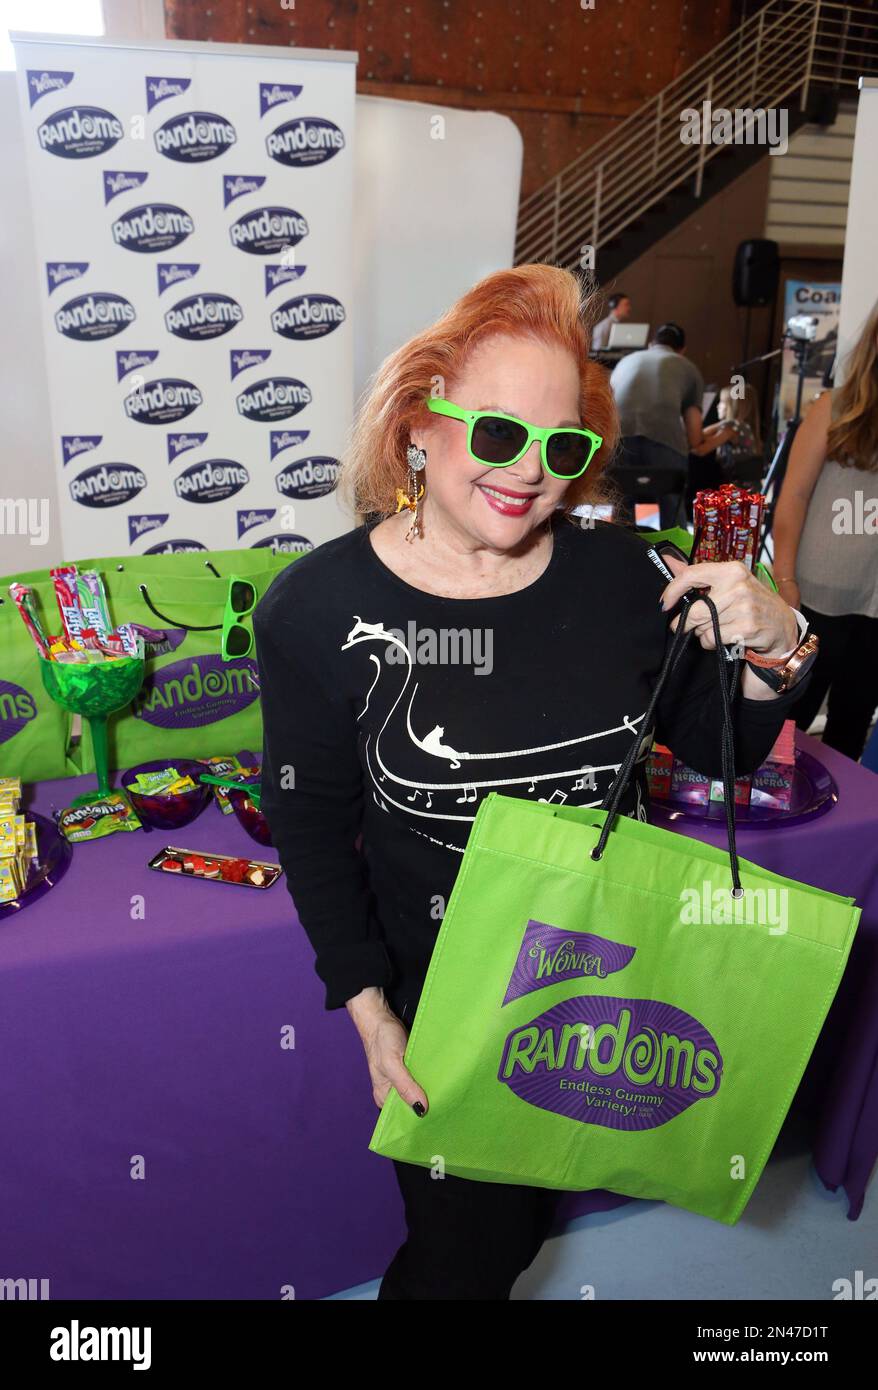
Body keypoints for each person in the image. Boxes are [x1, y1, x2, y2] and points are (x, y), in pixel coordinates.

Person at [254, 264, 811, 1301]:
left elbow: (711, 741)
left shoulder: (625, 579)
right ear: (420, 427)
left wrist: (778, 646)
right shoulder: (313, 611)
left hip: (604, 997)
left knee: (514, 1236)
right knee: (463, 1257)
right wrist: (371, 1012)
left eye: (561, 446)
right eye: (497, 433)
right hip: (449, 1014)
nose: (527, 472)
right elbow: (312, 824)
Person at [772, 299, 878, 760]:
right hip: (817, 596)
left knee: (851, 727)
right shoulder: (832, 408)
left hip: (875, 609)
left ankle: (837, 828)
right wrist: (785, 578)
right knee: (786, 728)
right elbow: (792, 497)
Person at [609, 322, 710, 528]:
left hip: (617, 442)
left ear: (650, 344)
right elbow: (694, 436)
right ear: (682, 350)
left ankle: (623, 552)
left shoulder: (625, 361)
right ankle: (675, 553)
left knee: (622, 505)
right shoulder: (688, 367)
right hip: (665, 445)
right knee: (672, 506)